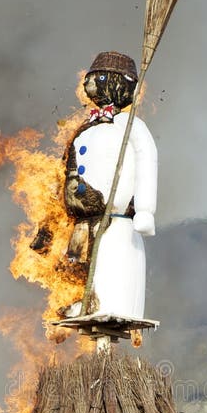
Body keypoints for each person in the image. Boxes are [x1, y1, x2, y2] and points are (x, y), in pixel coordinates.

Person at [62, 51, 157, 320]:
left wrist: (145, 210)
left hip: (115, 220)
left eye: (100, 78)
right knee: (77, 265)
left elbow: (148, 160)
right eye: (91, 78)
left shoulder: (129, 125)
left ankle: (104, 304)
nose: (90, 84)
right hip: (83, 219)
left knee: (110, 264)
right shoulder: (86, 128)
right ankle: (82, 301)